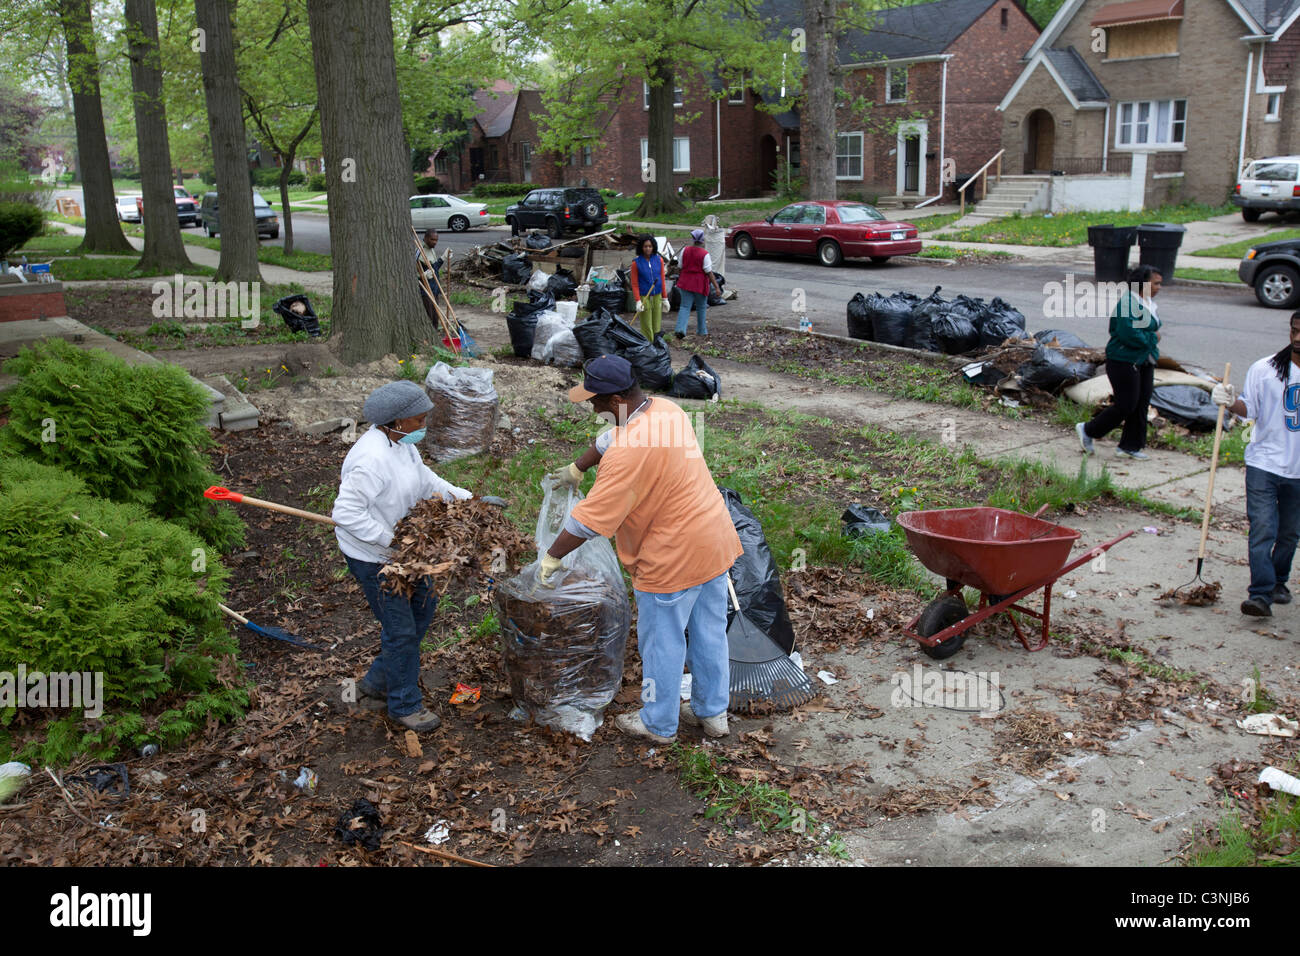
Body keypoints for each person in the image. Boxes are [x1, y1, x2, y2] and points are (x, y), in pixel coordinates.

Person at [540, 356, 743, 743]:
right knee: (709, 632)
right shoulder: (666, 410)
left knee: (663, 643)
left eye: (595, 400)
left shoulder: (629, 454)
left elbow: (589, 520)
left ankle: (659, 724)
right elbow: (610, 436)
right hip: (714, 541)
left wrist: (552, 555)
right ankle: (714, 713)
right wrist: (578, 467)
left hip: (670, 558)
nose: (591, 406)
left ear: (616, 398)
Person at [333, 380, 473, 732]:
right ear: (395, 422)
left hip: (408, 550)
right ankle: (404, 705)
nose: (424, 425)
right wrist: (390, 543)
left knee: (422, 613)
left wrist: (467, 499)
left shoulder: (401, 445)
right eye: (419, 420)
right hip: (375, 558)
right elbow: (347, 515)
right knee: (402, 631)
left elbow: (424, 479)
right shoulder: (370, 460)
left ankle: (377, 683)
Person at [1211, 311, 1300, 617]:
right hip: (1265, 462)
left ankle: (1278, 581)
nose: (1298, 338)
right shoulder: (1266, 369)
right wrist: (1228, 399)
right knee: (1263, 528)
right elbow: (1249, 409)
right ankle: (1260, 594)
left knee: (1290, 533)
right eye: (1294, 330)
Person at [1077, 264, 1163, 460]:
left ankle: (1130, 446)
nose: (1159, 287)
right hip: (1124, 360)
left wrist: (1150, 337)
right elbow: (1129, 334)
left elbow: (1147, 329)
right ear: (1142, 283)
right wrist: (1153, 338)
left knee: (1141, 403)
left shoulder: (1146, 302)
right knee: (1126, 404)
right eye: (1156, 283)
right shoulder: (1128, 305)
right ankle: (1089, 430)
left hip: (1144, 360)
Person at [673, 228, 722, 339]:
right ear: (703, 240)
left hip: (685, 282)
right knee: (701, 307)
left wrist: (681, 278)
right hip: (699, 284)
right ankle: (702, 330)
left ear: (693, 239)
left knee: (685, 306)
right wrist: (716, 287)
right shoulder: (704, 254)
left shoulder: (685, 250)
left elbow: (680, 267)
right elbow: (708, 272)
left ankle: (680, 329)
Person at [632, 235, 666, 341]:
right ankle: (648, 346)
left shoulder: (659, 260)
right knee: (647, 326)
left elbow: (662, 280)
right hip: (644, 297)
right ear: (641, 248)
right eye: (645, 246)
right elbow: (634, 284)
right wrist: (638, 301)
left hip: (657, 296)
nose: (648, 249)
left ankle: (656, 345)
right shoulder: (636, 263)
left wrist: (665, 298)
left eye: (650, 246)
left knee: (656, 325)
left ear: (653, 247)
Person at [416, 228, 446, 328]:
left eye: (436, 240)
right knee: (429, 314)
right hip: (425, 290)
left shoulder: (431, 250)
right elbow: (412, 272)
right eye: (432, 239)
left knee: (435, 315)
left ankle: (436, 336)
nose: (435, 242)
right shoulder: (419, 252)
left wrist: (443, 258)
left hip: (434, 288)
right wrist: (423, 275)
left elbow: (434, 268)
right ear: (425, 238)